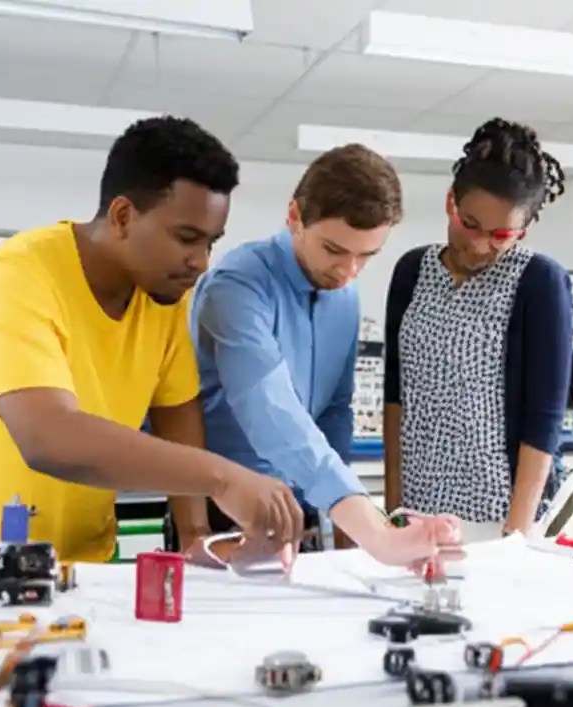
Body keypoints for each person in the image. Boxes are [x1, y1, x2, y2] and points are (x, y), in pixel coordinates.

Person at [0, 116, 307, 572]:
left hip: (85, 555)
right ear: (122, 216)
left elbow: (175, 408)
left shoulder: (164, 293)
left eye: (211, 243)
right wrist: (224, 479)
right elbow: (46, 437)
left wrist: (195, 534)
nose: (200, 262)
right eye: (186, 238)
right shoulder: (18, 276)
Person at [189, 143, 463, 568]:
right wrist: (370, 526)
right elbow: (271, 413)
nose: (349, 271)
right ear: (295, 216)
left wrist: (355, 530)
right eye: (334, 250)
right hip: (226, 507)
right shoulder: (236, 286)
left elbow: (334, 413)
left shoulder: (344, 295)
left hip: (310, 501)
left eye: (366, 256)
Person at [383, 117, 573, 542]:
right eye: (470, 224)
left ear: (523, 230)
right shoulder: (412, 271)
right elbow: (396, 397)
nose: (480, 245)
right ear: (451, 202)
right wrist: (395, 510)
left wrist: (516, 535)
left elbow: (544, 420)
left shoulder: (539, 281)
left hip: (498, 514)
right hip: (419, 507)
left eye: (501, 234)